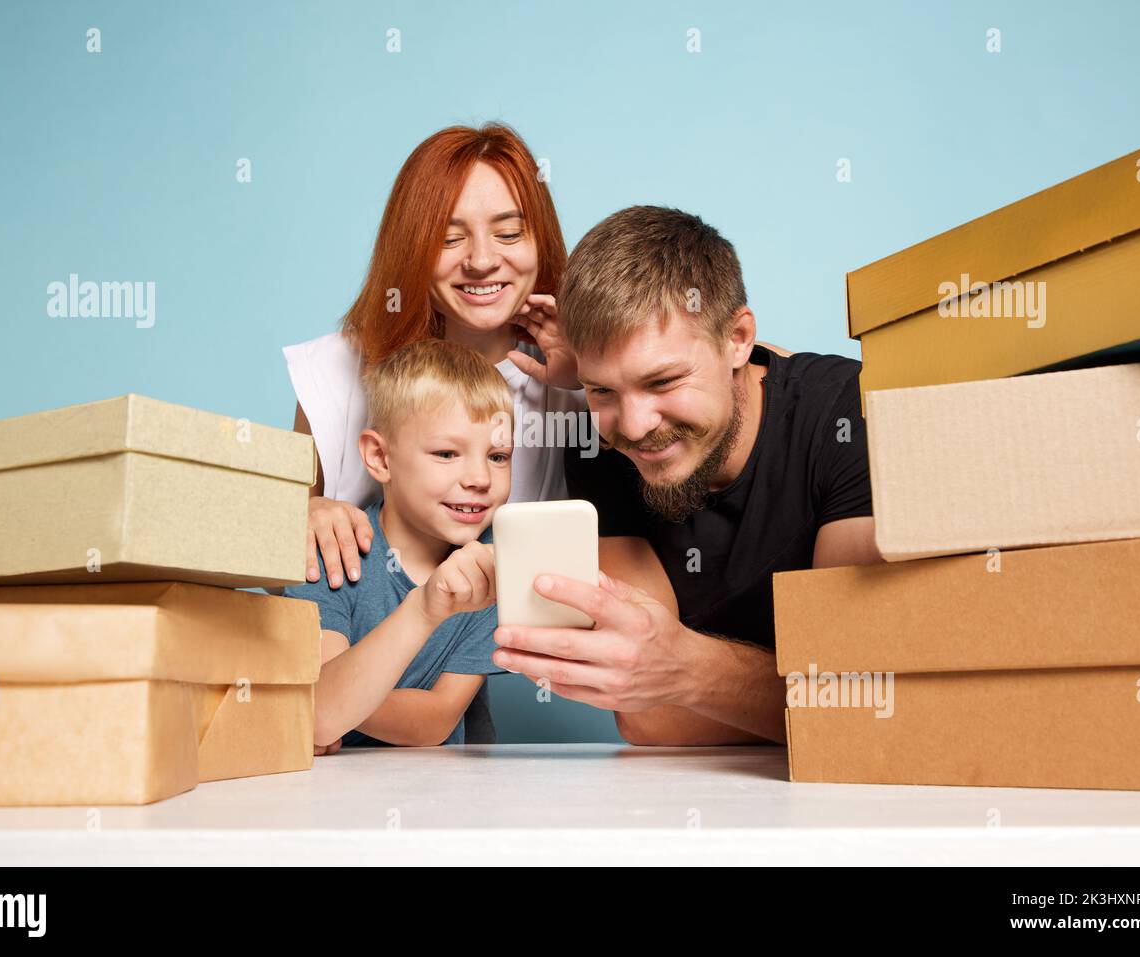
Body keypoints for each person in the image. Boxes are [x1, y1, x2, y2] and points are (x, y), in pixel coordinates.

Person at [491, 205, 884, 745]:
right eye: (602, 389)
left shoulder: (848, 414)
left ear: (738, 339)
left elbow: (858, 698)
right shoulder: (597, 446)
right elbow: (648, 715)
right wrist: (788, 691)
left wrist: (684, 669)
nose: (634, 426)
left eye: (662, 382)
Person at [280, 123, 585, 743]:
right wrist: (294, 514)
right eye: (449, 238)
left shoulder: (585, 380)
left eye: (509, 233)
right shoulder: (337, 372)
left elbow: (716, 367)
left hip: (445, 751)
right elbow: (267, 562)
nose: (482, 259)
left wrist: (594, 372)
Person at [284, 340, 511, 753]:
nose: (480, 478)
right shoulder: (330, 548)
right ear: (380, 458)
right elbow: (319, 717)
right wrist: (424, 608)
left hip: (440, 785)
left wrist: (333, 698)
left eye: (498, 456)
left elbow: (434, 722)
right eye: (447, 453)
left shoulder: (493, 566)